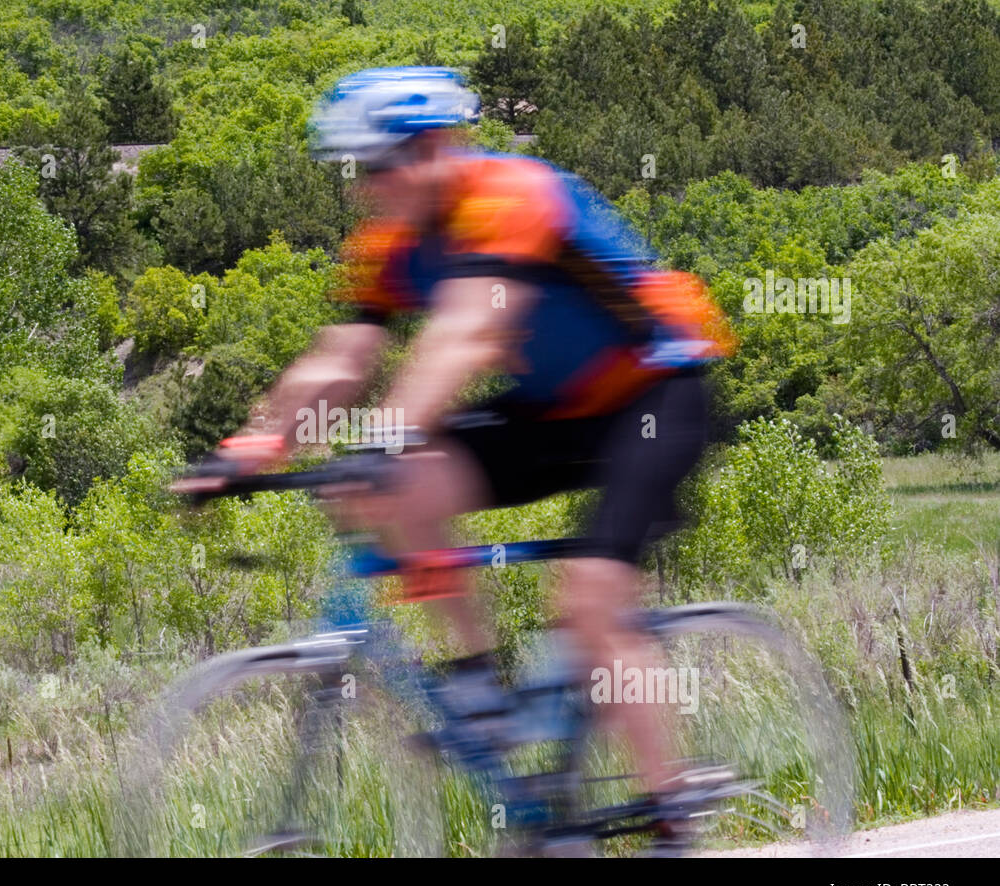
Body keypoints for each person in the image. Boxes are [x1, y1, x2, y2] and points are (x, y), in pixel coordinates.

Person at [183, 67, 736, 833]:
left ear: (437, 146)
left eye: (380, 164)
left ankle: (673, 810)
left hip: (655, 391)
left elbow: (469, 331)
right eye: (356, 170)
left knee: (588, 595)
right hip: (553, 408)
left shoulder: (512, 196)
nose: (365, 187)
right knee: (398, 486)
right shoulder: (390, 242)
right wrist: (250, 448)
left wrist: (384, 434)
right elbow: (343, 357)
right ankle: (482, 690)